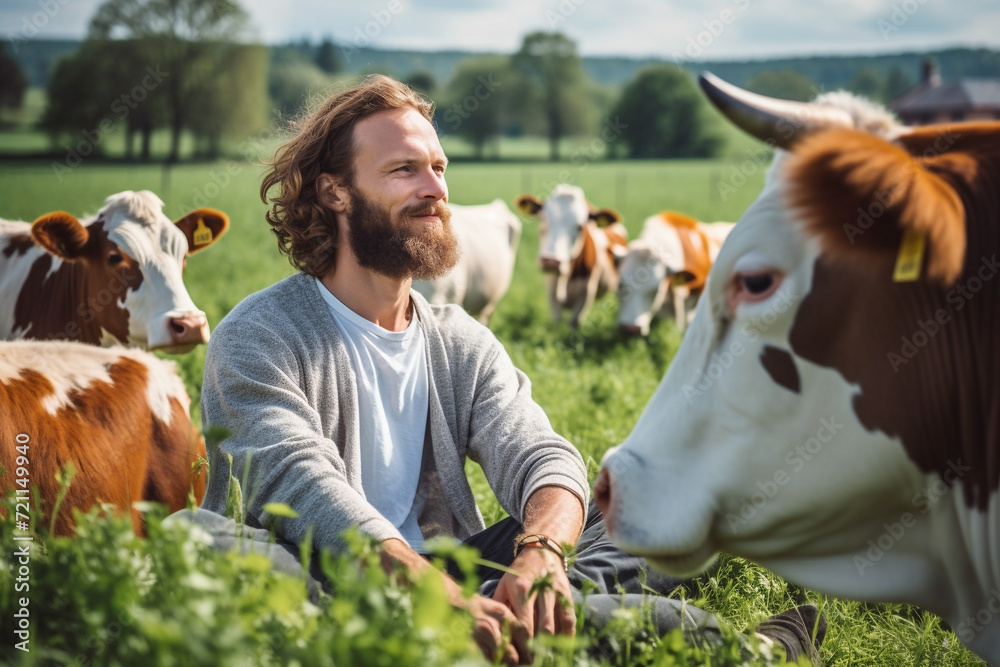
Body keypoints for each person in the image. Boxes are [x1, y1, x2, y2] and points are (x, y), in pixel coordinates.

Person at [182, 74, 824, 666]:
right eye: (404, 169)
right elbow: (302, 487)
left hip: (457, 575)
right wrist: (423, 589)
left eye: (438, 168)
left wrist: (541, 554)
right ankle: (744, 649)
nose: (434, 189)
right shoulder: (259, 335)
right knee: (203, 538)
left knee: (651, 490)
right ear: (335, 191)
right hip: (329, 579)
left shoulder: (458, 338)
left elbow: (543, 455)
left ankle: (523, 617)